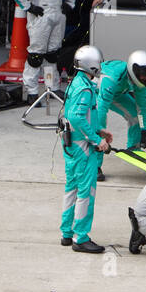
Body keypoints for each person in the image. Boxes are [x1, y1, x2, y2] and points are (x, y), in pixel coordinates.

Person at [61, 45, 111, 253]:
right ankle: (80, 237)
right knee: (86, 192)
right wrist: (95, 139)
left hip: (71, 144)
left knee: (71, 188)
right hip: (83, 147)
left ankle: (66, 232)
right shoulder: (84, 88)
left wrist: (98, 130)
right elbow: (76, 116)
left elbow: (77, 115)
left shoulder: (77, 83)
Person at [92, 51, 146, 182]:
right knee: (97, 126)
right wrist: (100, 138)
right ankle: (95, 166)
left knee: (135, 116)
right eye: (144, 75)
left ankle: (134, 148)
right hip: (94, 93)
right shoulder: (111, 78)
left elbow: (142, 108)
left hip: (116, 93)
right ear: (134, 71)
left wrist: (145, 131)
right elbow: (101, 111)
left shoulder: (137, 79)